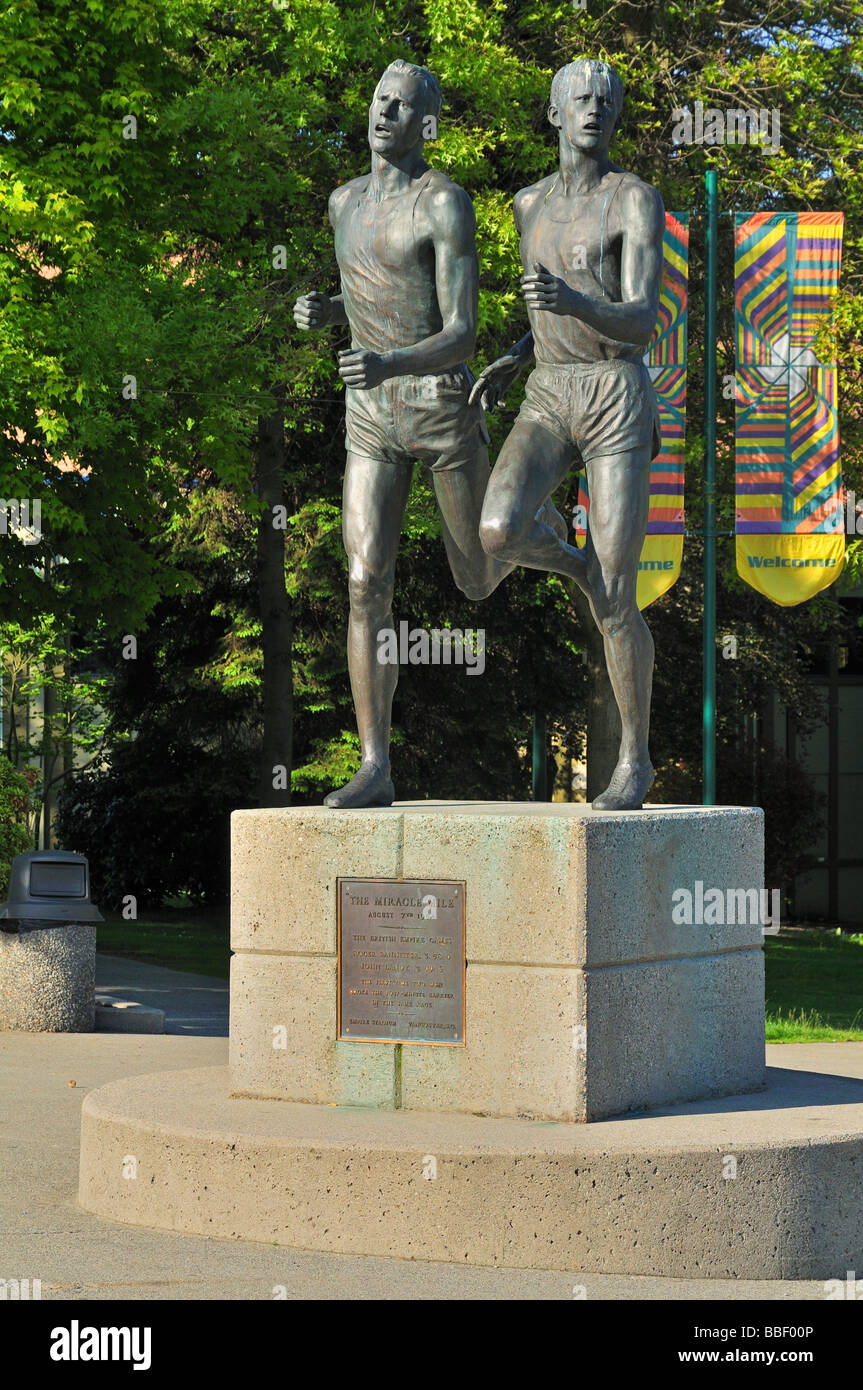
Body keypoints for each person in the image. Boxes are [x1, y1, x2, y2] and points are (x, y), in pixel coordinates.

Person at [294, 60, 520, 809]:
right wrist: (326, 311)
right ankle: (374, 765)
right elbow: (374, 295)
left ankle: (543, 528)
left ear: (427, 124)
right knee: (364, 582)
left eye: (403, 106)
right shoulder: (342, 204)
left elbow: (462, 331)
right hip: (372, 422)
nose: (385, 113)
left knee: (478, 577)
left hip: (440, 408)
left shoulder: (443, 204)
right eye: (378, 100)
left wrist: (387, 360)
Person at [472, 58, 664, 811]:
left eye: (605, 100)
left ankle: (635, 760)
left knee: (618, 595)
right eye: (578, 98)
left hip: (614, 391)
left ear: (614, 117)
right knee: (496, 529)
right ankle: (577, 569)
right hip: (550, 389)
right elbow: (540, 311)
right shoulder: (526, 205)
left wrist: (571, 299)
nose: (592, 108)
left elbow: (641, 320)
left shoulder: (632, 199)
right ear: (553, 114)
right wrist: (515, 356)